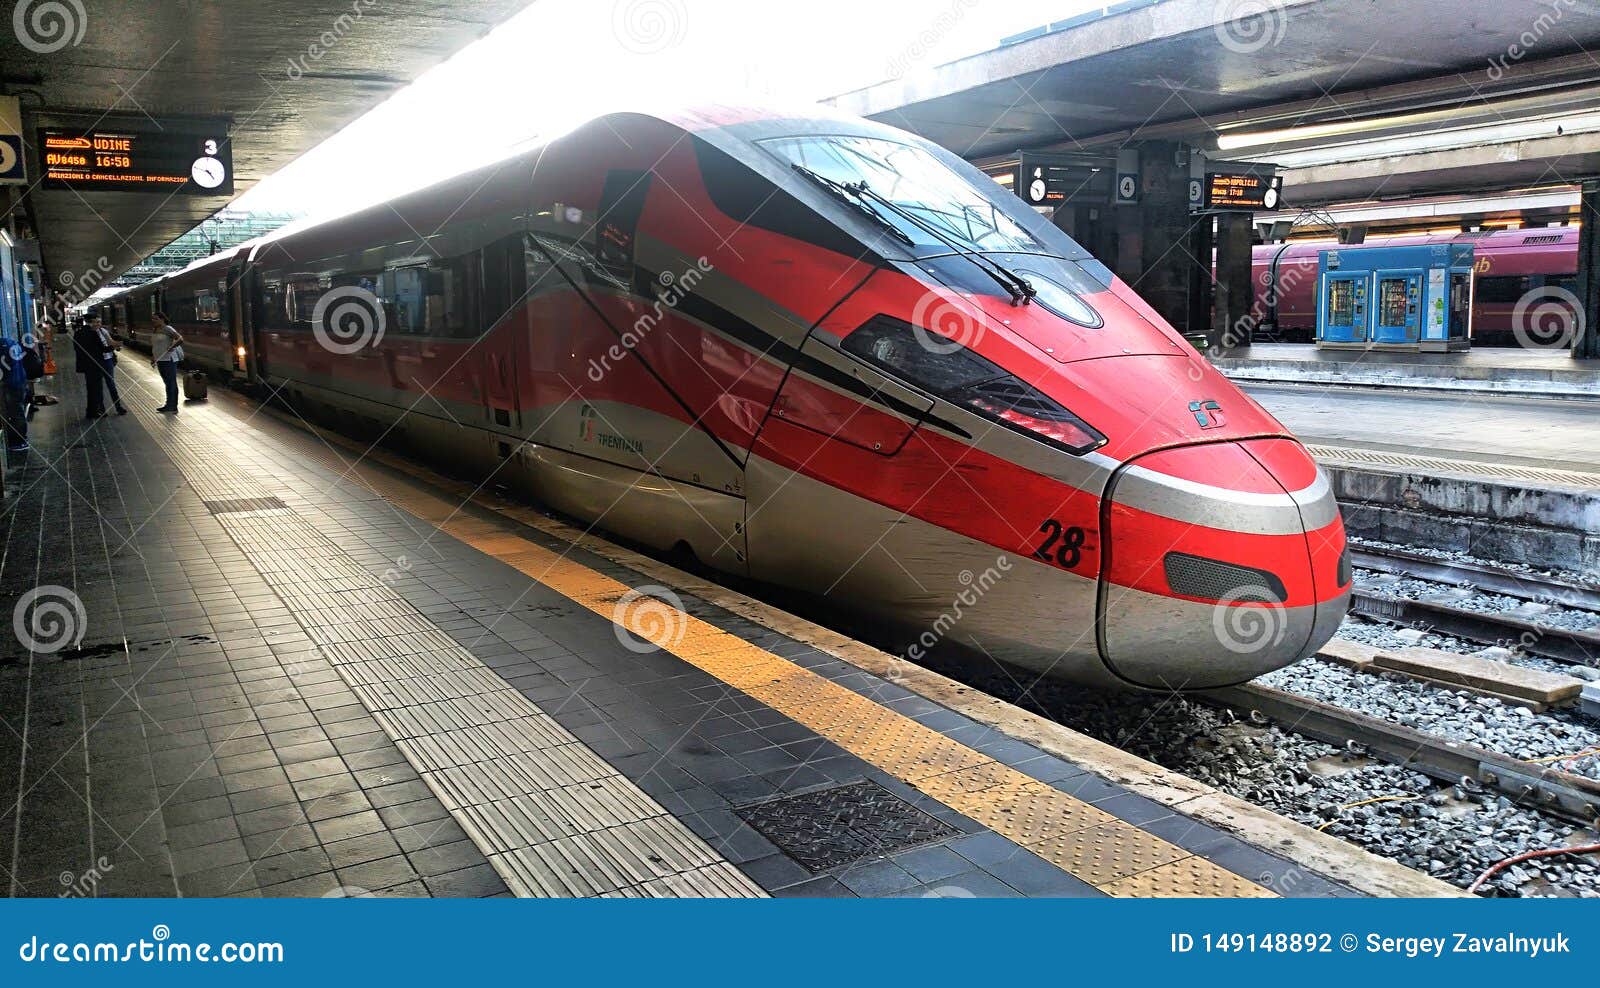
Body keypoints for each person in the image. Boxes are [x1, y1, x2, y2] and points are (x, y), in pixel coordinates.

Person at [73, 317, 109, 418]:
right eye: (96, 322)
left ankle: (90, 411)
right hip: (95, 365)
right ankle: (96, 411)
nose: (98, 324)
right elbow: (103, 349)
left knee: (90, 388)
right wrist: (114, 347)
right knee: (97, 389)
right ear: (91, 322)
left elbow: (76, 349)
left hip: (85, 365)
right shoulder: (94, 333)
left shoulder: (78, 333)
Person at [151, 311, 185, 414]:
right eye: (152, 319)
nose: (153, 321)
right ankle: (168, 404)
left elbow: (180, 339)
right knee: (167, 382)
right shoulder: (155, 330)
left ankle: (172, 405)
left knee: (171, 382)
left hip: (169, 359)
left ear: (162, 319)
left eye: (156, 319)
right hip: (160, 359)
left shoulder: (168, 329)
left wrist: (172, 346)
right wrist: (153, 357)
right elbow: (155, 345)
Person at [93, 317, 128, 415]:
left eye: (99, 322)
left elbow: (110, 341)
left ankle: (118, 407)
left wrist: (118, 344)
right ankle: (101, 408)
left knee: (111, 384)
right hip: (97, 361)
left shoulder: (103, 331)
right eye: (95, 322)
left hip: (108, 360)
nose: (97, 324)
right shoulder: (90, 334)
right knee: (98, 386)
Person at [2, 330, 28, 453]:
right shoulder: (11, 342)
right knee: (18, 411)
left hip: (10, 384)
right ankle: (20, 440)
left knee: (15, 413)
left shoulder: (2, 346)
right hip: (20, 380)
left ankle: (19, 442)